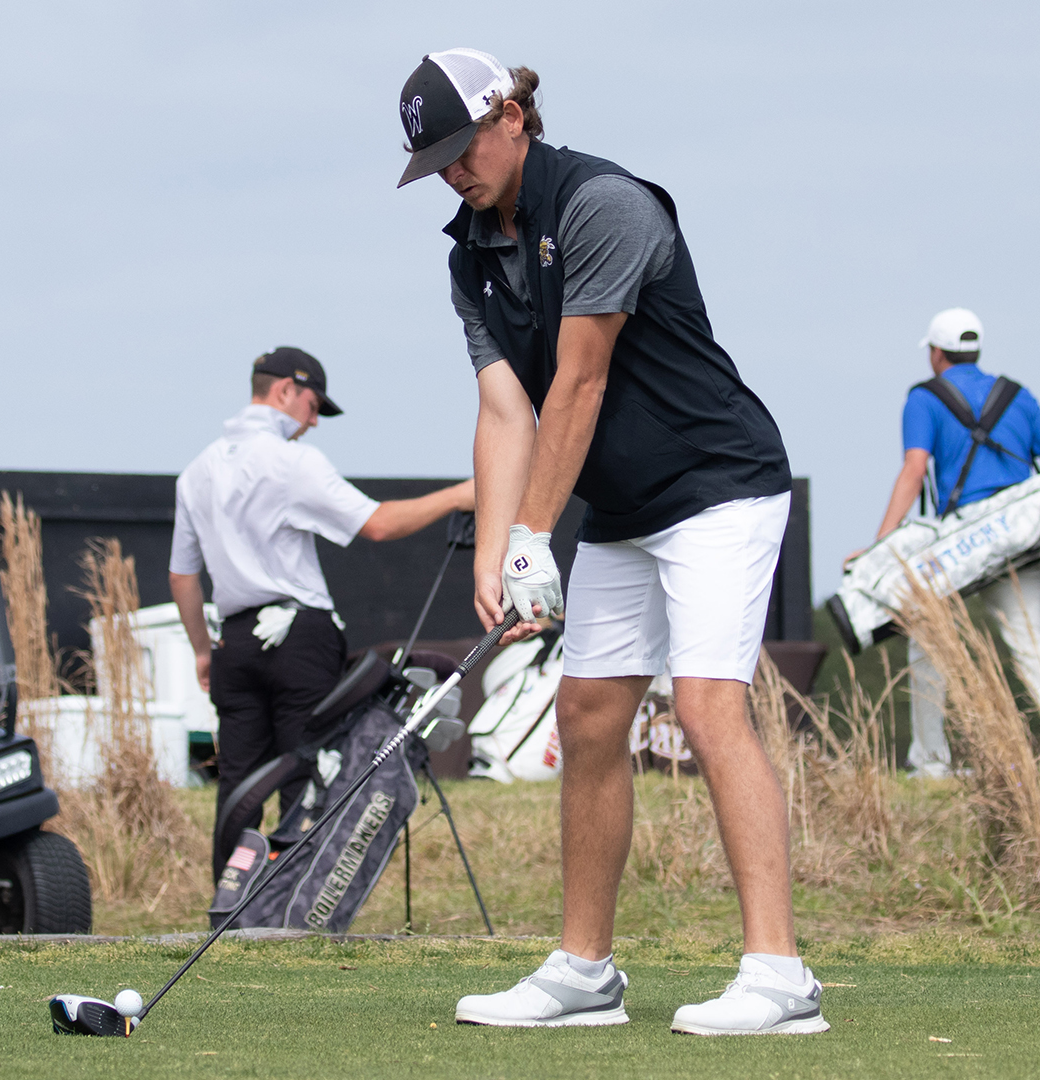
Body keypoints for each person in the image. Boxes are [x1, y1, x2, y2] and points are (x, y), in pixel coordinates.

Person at [395, 48, 825, 1035]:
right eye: (436, 163)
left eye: (463, 148)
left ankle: (780, 975)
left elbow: (578, 384)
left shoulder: (605, 204)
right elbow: (505, 410)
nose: (455, 173)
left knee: (710, 705)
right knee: (588, 714)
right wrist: (500, 550)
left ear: (511, 117)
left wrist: (538, 536)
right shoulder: (468, 255)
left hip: (719, 485)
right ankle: (585, 972)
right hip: (626, 510)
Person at [168, 347, 474, 870]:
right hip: (299, 639)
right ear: (286, 390)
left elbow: (182, 576)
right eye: (313, 406)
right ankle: (288, 904)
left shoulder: (195, 472)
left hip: (235, 643)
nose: (312, 423)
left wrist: (202, 650)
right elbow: (376, 524)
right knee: (305, 768)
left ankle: (230, 906)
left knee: (238, 783)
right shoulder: (291, 461)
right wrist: (458, 496)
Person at [856, 308, 1040, 777]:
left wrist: (880, 545)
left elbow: (914, 469)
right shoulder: (1017, 396)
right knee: (1031, 645)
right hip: (1019, 540)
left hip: (958, 547)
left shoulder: (923, 400)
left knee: (930, 646)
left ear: (936, 353)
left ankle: (930, 761)